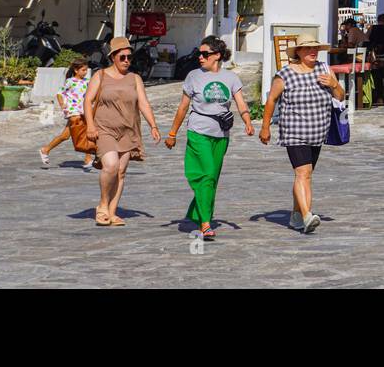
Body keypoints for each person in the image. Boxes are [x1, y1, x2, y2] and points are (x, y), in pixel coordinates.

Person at [165, 35, 253, 241]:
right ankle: (205, 223)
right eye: (199, 53)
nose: (200, 57)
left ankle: (198, 213)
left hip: (221, 134)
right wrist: (172, 133)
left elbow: (241, 103)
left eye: (205, 54)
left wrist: (248, 121)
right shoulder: (193, 76)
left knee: (212, 178)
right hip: (198, 131)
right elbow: (183, 107)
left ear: (217, 55)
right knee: (205, 176)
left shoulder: (231, 78)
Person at [259, 33, 345, 234]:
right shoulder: (285, 74)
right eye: (307, 48)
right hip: (294, 131)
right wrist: (265, 127)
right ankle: (307, 216)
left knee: (306, 175)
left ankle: (296, 216)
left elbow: (340, 97)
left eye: (315, 48)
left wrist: (334, 85)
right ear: (298, 52)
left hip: (318, 132)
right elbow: (271, 100)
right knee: (303, 173)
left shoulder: (324, 69)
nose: (313, 52)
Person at [84, 36, 161, 227]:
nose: (127, 61)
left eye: (129, 57)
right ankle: (102, 206)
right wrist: (90, 126)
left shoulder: (135, 79)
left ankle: (112, 211)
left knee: (120, 172)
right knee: (110, 166)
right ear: (113, 57)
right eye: (122, 57)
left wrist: (153, 125)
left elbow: (143, 103)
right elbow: (87, 101)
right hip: (104, 128)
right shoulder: (100, 76)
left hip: (128, 130)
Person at [39, 57, 95, 171]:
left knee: (65, 136)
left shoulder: (87, 82)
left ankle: (45, 150)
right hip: (74, 111)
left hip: (83, 111)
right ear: (76, 70)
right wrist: (62, 104)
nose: (85, 72)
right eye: (83, 70)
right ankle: (88, 158)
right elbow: (60, 93)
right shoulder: (70, 81)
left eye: (86, 70)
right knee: (83, 133)